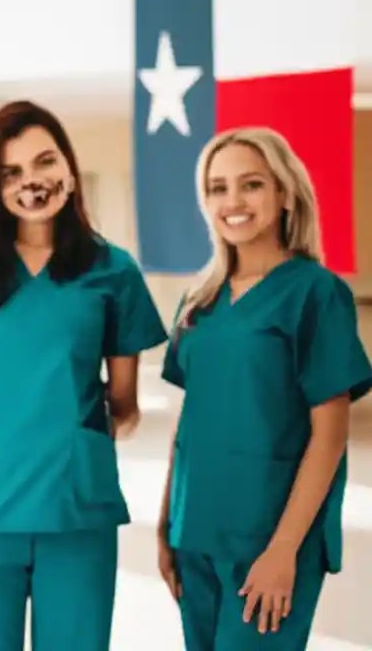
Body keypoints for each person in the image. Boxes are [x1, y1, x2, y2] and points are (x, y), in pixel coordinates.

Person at [0, 100, 168, 651]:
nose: (32, 181)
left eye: (45, 162)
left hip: (78, 512)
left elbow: (125, 405)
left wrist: (72, 443)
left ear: (68, 167)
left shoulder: (113, 271)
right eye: (11, 172)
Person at [157, 127, 371, 650]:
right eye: (217, 187)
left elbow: (329, 436)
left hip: (268, 539)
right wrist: (167, 523)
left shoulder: (316, 294)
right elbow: (191, 421)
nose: (232, 201)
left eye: (251, 184)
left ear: (284, 193)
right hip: (196, 531)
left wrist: (284, 551)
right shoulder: (199, 301)